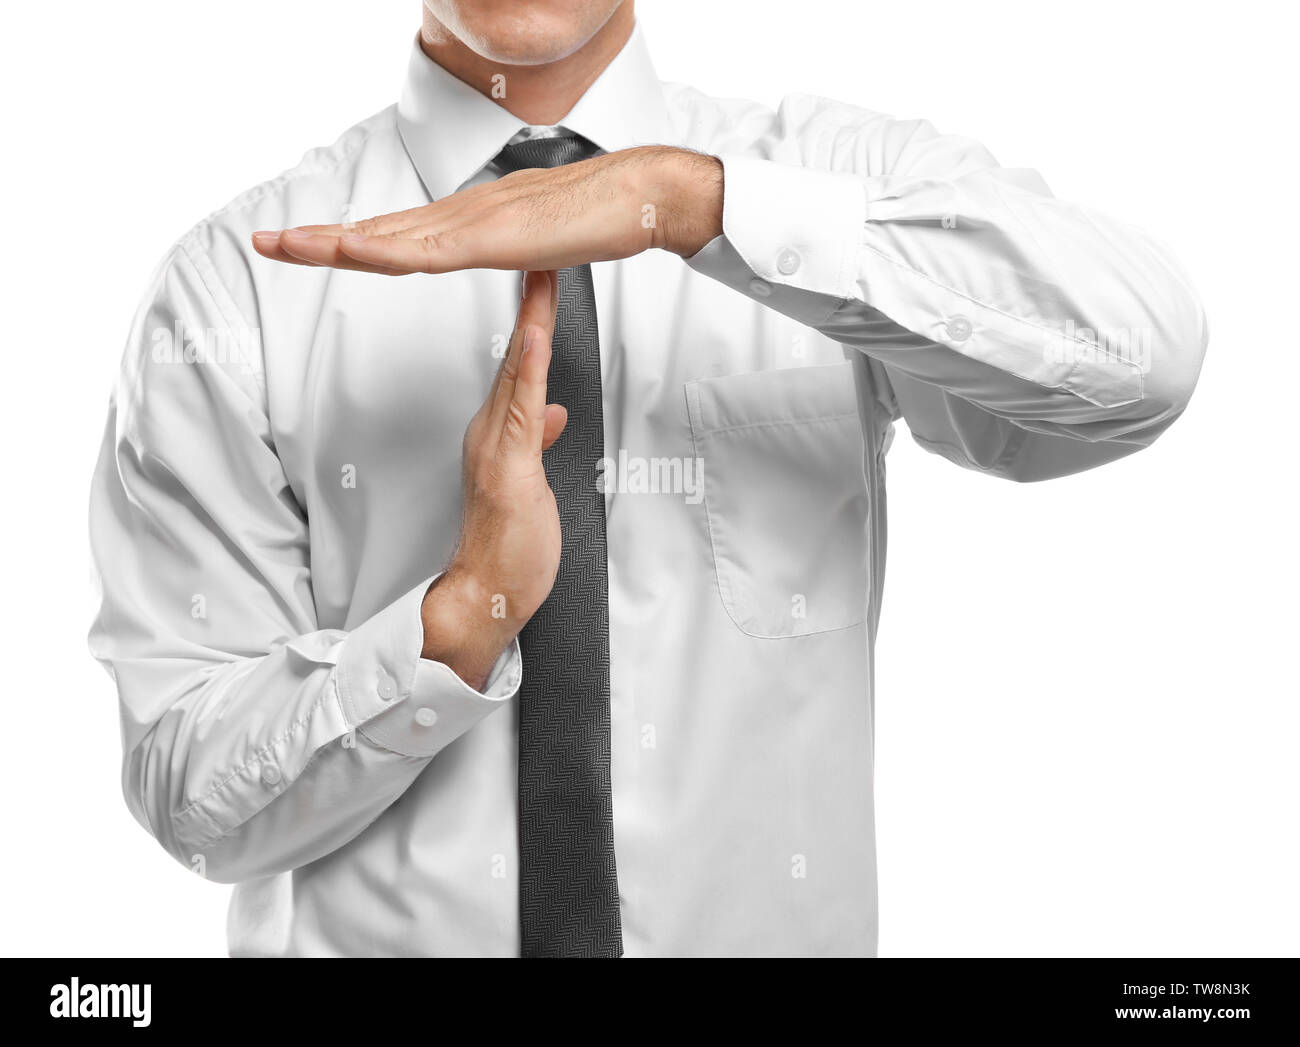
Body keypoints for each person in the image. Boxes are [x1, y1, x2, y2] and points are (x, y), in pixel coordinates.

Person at [89, 0, 1207, 957]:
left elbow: (1139, 363)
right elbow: (192, 798)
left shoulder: (823, 192)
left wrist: (694, 206)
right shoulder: (238, 286)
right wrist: (454, 622)